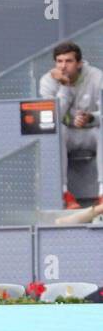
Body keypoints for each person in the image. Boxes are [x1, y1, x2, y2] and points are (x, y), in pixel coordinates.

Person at [38, 41, 103, 207]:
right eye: (59, 61)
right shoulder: (47, 81)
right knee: (52, 129)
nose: (63, 66)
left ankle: (102, 194)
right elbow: (52, 116)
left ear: (79, 63)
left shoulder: (97, 76)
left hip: (92, 131)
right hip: (67, 133)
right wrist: (64, 86)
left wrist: (91, 118)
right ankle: (64, 194)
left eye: (68, 61)